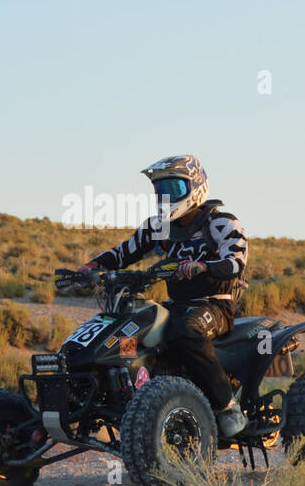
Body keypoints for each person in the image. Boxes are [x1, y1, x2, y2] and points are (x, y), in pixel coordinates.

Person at [81, 155, 249, 437]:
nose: (166, 196)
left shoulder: (221, 222)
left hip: (214, 306)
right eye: (161, 190)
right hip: (175, 305)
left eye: (174, 188)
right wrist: (92, 267)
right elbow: (124, 253)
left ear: (195, 187)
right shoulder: (158, 227)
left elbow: (236, 262)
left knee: (184, 330)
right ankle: (130, 399)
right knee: (130, 329)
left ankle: (226, 405)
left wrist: (203, 267)